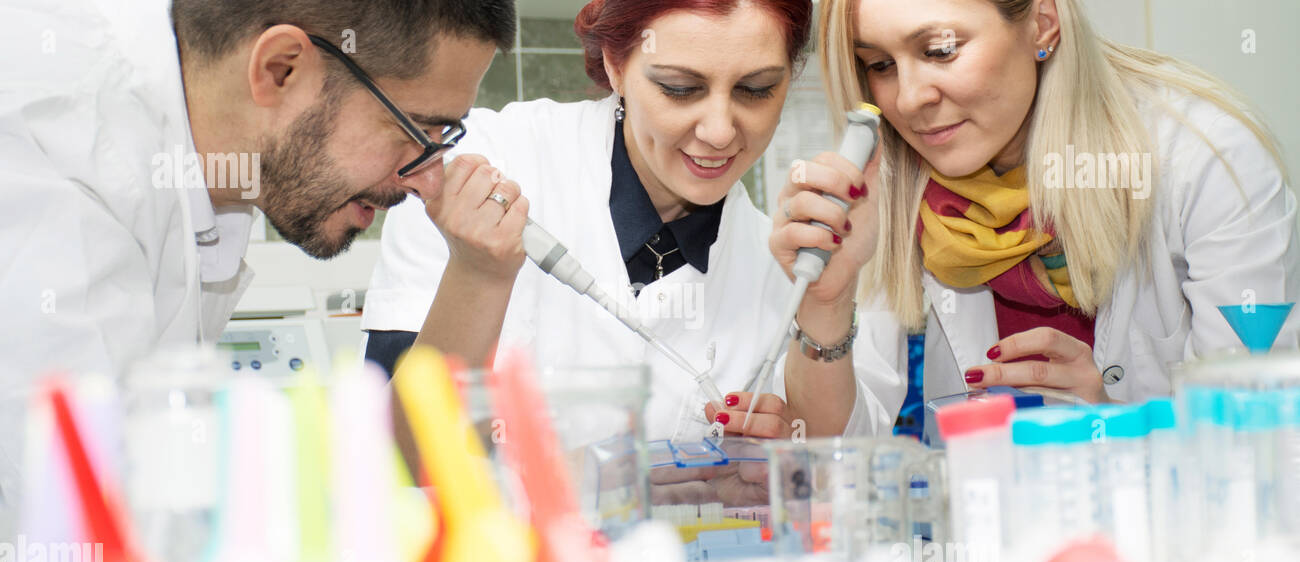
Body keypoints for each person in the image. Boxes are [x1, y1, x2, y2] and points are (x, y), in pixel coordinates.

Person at [0, 0, 517, 515]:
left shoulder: (221, 156)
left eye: (442, 139)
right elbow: (95, 520)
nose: (428, 182)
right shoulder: (54, 144)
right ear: (281, 68)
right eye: (414, 132)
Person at [363, 0, 907, 461]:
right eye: (679, 88)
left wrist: (778, 464)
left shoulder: (801, 253)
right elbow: (396, 461)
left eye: (756, 89)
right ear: (616, 65)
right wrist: (476, 276)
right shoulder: (480, 168)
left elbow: (846, 467)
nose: (719, 132)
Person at [782, 0, 1297, 407]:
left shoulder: (1204, 160)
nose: (909, 98)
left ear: (1043, 24)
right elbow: (833, 458)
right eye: (879, 64)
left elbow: (1257, 436)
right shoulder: (883, 181)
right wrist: (826, 302)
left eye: (940, 51)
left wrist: (1105, 422)